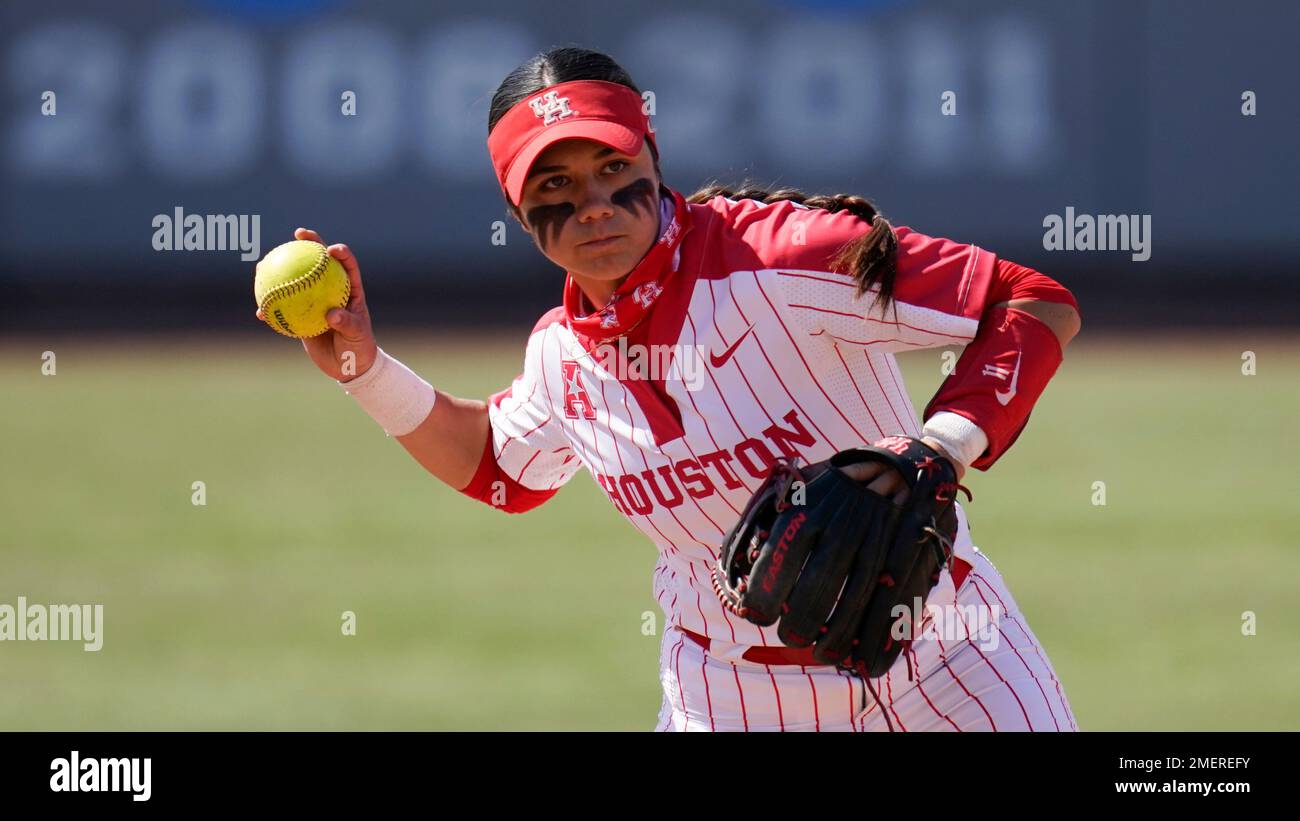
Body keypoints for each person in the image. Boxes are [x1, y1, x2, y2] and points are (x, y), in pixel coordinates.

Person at [259, 46, 1083, 732]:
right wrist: (363, 369)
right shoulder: (562, 359)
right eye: (554, 186)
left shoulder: (785, 258)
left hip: (948, 653)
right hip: (730, 698)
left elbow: (1032, 300)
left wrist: (942, 445)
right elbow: (499, 469)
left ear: (654, 157)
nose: (592, 205)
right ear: (516, 210)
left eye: (612, 166)